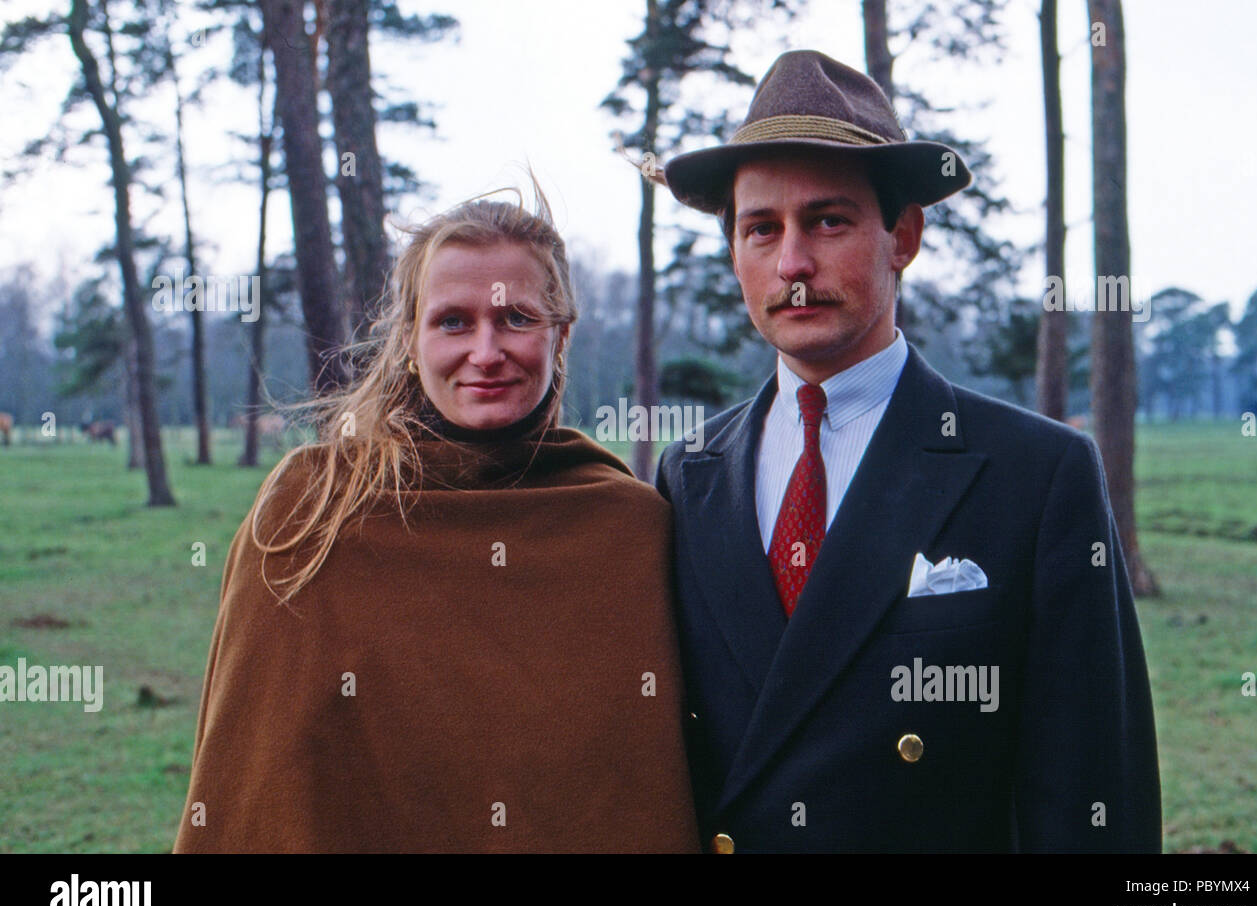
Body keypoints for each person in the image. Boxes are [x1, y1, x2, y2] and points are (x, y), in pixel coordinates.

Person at [656, 50, 1161, 853]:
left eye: (828, 220)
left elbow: (1094, 796)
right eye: (762, 229)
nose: (792, 263)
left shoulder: (1038, 473)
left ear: (905, 236)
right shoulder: (686, 475)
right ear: (735, 255)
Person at [174, 185, 699, 853]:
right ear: (411, 337)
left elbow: (641, 793)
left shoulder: (629, 530)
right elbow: (259, 785)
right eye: (453, 321)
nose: (485, 351)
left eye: (516, 320)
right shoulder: (311, 512)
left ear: (561, 333)